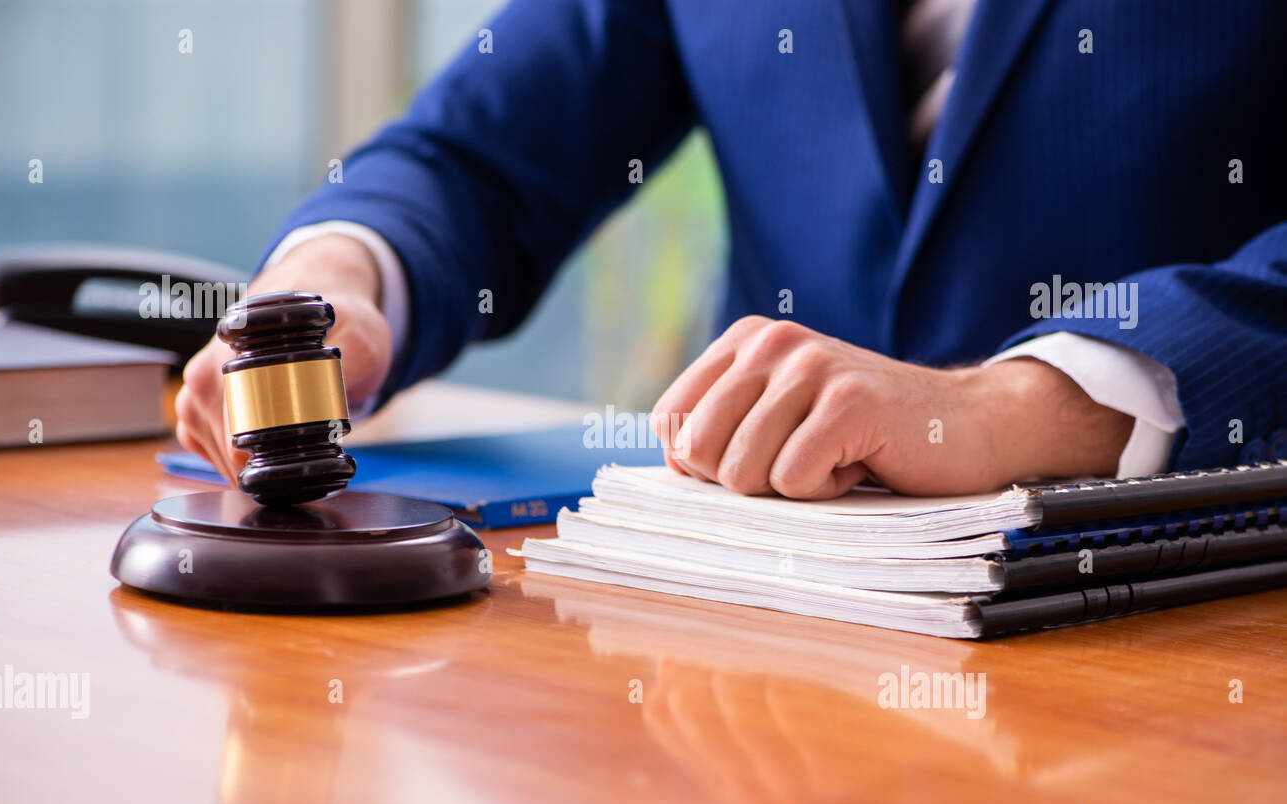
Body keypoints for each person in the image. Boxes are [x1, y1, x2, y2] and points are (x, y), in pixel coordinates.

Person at [176, 0, 1287, 499]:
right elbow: (480, 150)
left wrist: (1021, 409)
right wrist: (339, 282)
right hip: (757, 643)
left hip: (1184, 654)